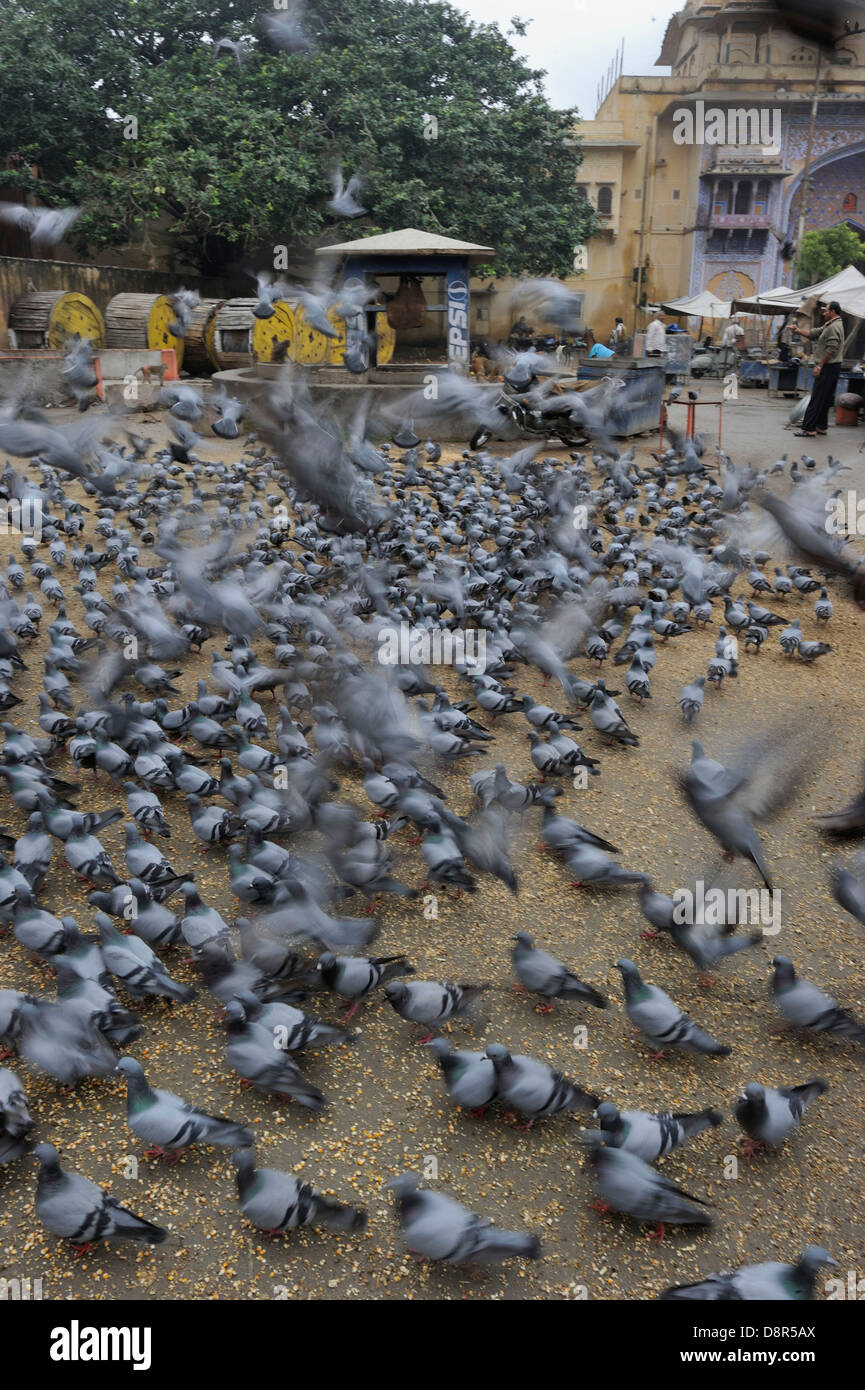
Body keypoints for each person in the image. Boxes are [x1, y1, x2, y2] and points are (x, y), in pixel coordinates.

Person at [794, 300, 846, 438]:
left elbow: (832, 348)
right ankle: (821, 427)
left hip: (828, 367)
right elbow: (814, 333)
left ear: (833, 312)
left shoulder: (833, 327)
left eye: (826, 311)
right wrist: (797, 330)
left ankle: (809, 428)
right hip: (832, 367)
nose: (824, 313)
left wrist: (819, 365)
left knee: (817, 398)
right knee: (825, 398)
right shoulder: (830, 324)